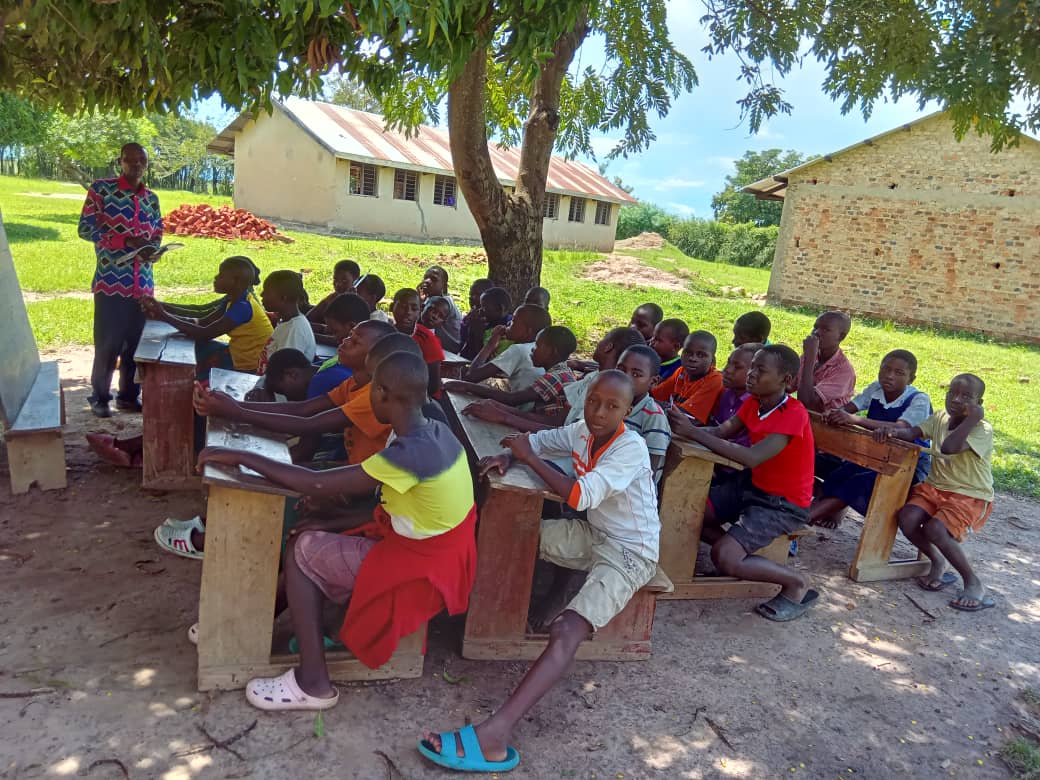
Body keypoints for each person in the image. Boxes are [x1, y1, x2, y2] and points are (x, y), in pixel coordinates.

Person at [197, 352, 477, 711]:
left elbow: (314, 484)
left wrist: (242, 457)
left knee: (302, 550)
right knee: (314, 533)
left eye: (371, 387)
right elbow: (393, 503)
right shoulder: (434, 431)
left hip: (423, 568)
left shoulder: (410, 452)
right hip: (434, 549)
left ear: (382, 393)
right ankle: (248, 625)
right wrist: (332, 523)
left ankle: (313, 682)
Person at [419, 371, 660, 772]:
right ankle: (465, 613)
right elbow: (535, 442)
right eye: (594, 401)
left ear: (628, 410)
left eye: (612, 406)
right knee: (508, 535)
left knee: (566, 630)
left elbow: (579, 495)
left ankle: (495, 735)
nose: (600, 412)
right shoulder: (583, 430)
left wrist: (528, 458)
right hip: (593, 533)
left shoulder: (630, 448)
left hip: (630, 552)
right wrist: (510, 456)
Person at [671, 345, 819, 622]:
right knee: (690, 511)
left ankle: (795, 584)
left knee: (725, 558)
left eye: (760, 370)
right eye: (752, 368)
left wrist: (692, 432)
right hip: (753, 487)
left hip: (782, 504)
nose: (751, 374)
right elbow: (720, 431)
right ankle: (735, 550)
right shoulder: (754, 402)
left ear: (786, 381)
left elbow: (752, 457)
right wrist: (679, 426)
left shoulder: (793, 413)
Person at [881, 373, 994, 611]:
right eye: (952, 392)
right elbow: (913, 433)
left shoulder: (982, 429)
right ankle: (937, 561)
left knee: (936, 529)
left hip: (969, 494)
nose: (956, 399)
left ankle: (973, 582)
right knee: (907, 519)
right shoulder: (940, 417)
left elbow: (950, 448)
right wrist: (891, 432)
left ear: (978, 405)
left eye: (966, 396)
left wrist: (971, 420)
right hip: (936, 487)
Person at [79, 142, 164, 417]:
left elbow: (157, 232)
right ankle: (100, 398)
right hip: (111, 281)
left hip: (142, 285)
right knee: (108, 344)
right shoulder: (102, 190)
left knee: (136, 345)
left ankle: (128, 396)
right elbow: (86, 228)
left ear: (146, 164)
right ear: (121, 162)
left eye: (141, 160)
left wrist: (153, 250)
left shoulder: (151, 198)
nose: (135, 165)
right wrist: (124, 239)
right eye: (130, 160)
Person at [810, 350, 932, 529]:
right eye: (886, 369)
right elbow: (850, 408)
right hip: (876, 458)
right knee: (839, 475)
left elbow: (901, 428)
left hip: (907, 468)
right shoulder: (876, 389)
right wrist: (837, 414)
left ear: (911, 379)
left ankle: (807, 517)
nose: (889, 376)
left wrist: (855, 419)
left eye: (899, 373)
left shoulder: (919, 400)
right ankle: (821, 512)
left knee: (858, 482)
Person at [463, 327, 645, 431]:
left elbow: (564, 433)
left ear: (608, 347)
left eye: (603, 339)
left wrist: (504, 416)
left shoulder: (605, 391)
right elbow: (559, 422)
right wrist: (500, 410)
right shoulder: (591, 378)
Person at [139, 256, 272, 377]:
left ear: (235, 281)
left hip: (247, 366)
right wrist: (162, 311)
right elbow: (203, 321)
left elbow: (204, 333)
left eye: (221, 275)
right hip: (237, 354)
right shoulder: (234, 300)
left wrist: (163, 315)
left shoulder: (242, 307)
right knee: (186, 344)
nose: (216, 278)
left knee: (188, 358)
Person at [442, 326, 576, 411]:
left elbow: (512, 399)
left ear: (551, 352)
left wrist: (467, 386)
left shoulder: (554, 377)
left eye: (538, 345)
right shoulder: (562, 371)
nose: (533, 349)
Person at [460, 304, 552, 391]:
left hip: (515, 405)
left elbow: (471, 376)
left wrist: (491, 344)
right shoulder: (533, 347)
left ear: (528, 331)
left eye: (513, 321)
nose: (508, 323)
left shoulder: (518, 350)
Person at [651, 330, 724, 425]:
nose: (693, 359)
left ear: (712, 360)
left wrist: (648, 402)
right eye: (688, 353)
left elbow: (688, 418)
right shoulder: (681, 372)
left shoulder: (715, 379)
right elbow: (654, 395)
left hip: (695, 432)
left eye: (701, 355)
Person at [306, 293, 371, 397]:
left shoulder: (329, 378)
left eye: (335, 332)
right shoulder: (346, 365)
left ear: (352, 328)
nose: (334, 338)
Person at [256, 270, 317, 375]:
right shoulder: (286, 322)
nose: (261, 294)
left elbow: (285, 373)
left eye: (266, 292)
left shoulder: (294, 330)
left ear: (283, 298)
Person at [793, 311, 856, 412]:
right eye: (815, 327)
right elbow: (788, 386)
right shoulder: (812, 355)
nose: (816, 332)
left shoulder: (844, 371)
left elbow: (807, 403)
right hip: (805, 418)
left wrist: (809, 359)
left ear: (841, 337)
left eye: (826, 329)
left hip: (824, 425)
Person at [392, 288, 444, 399]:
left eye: (414, 308)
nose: (408, 312)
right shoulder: (384, 332)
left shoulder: (428, 339)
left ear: (419, 311)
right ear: (392, 307)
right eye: (403, 307)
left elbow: (433, 385)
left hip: (422, 397)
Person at [461, 286, 513, 359]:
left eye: (484, 308)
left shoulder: (506, 332)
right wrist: (472, 330)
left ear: (501, 309)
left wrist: (478, 335)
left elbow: (483, 361)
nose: (480, 311)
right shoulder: (487, 325)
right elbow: (465, 354)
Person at [418, 265, 463, 347]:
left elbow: (421, 322)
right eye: (425, 278)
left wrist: (417, 301)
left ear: (444, 286)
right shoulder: (431, 298)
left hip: (450, 349)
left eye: (434, 279)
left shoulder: (443, 302)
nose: (427, 281)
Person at [307, 259, 361, 328]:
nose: (338, 284)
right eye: (335, 279)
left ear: (356, 281)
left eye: (344, 281)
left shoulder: (357, 303)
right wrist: (325, 302)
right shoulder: (332, 298)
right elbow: (308, 318)